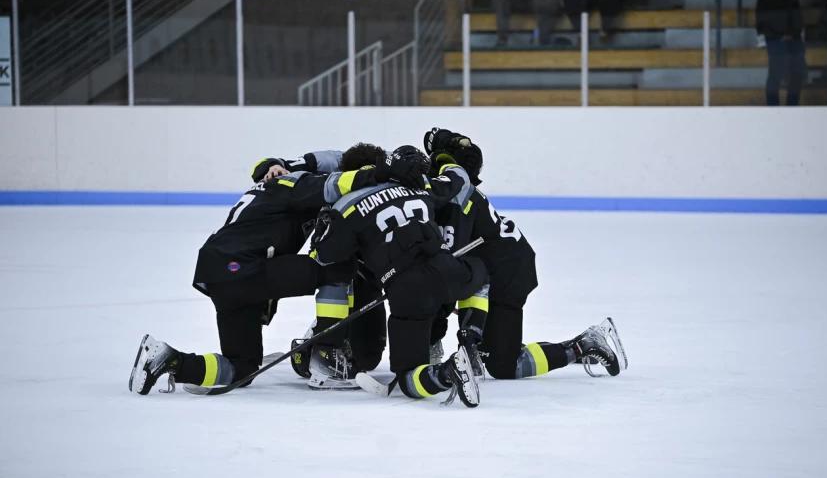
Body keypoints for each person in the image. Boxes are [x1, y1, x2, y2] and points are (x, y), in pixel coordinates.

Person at [128, 150, 425, 395]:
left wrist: (271, 164)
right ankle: (326, 353)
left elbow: (322, 162)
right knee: (336, 266)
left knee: (241, 367)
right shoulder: (294, 184)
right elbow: (335, 185)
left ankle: (168, 360)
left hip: (221, 275)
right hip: (239, 267)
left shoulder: (282, 179)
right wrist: (383, 175)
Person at [422, 127, 624, 381]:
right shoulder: (453, 191)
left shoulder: (456, 199)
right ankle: (570, 350)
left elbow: (448, 273)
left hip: (509, 272)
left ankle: (584, 344)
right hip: (496, 267)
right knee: (494, 352)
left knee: (503, 365)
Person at [310, 145, 489, 407]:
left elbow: (324, 256)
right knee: (481, 274)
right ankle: (471, 342)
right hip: (448, 270)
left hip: (408, 290)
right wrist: (447, 159)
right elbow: (458, 180)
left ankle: (446, 372)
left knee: (408, 380)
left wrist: (324, 226)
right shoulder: (417, 185)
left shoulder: (346, 204)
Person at [756, 0, 807, 106]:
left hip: (794, 35)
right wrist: (780, 33)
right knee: (776, 72)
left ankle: (792, 105)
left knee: (797, 72)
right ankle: (773, 107)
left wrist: (796, 31)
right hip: (776, 36)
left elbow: (795, 9)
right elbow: (764, 12)